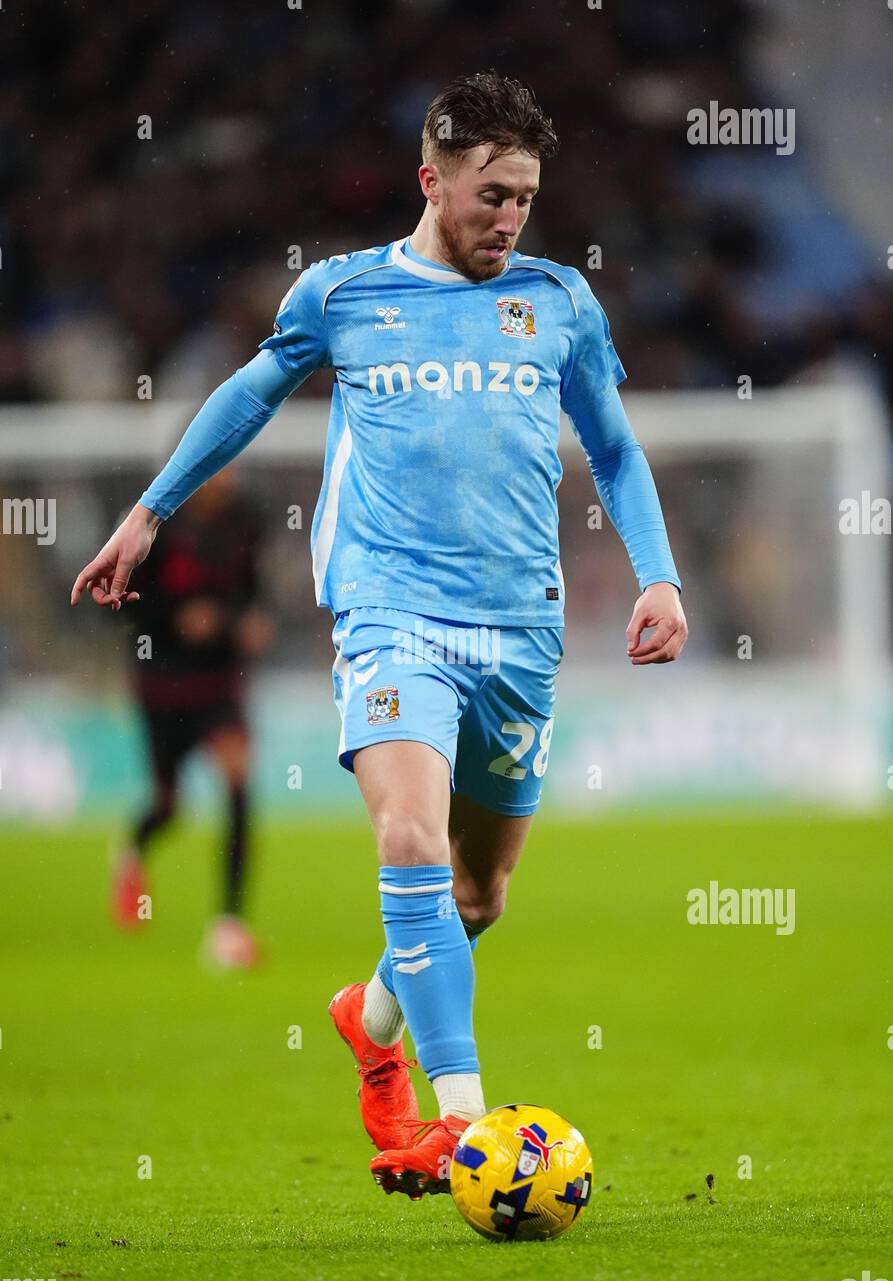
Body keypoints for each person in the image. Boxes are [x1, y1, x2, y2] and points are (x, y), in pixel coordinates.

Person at [71, 71, 687, 1200]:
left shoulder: (556, 301)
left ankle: (371, 1015)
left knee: (476, 894)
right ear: (430, 179)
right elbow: (249, 395)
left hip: (519, 630)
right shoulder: (344, 295)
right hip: (392, 615)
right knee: (406, 840)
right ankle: (464, 1125)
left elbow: (613, 446)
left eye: (525, 198)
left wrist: (657, 574)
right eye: (490, 194)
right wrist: (150, 513)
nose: (509, 218)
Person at [111, 468, 272, 968]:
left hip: (219, 682)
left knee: (238, 781)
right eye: (220, 466)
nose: (229, 477)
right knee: (168, 805)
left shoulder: (246, 521)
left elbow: (252, 589)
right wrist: (172, 620)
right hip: (162, 684)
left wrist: (253, 619)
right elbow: (118, 602)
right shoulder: (153, 526)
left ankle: (228, 925)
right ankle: (132, 849)